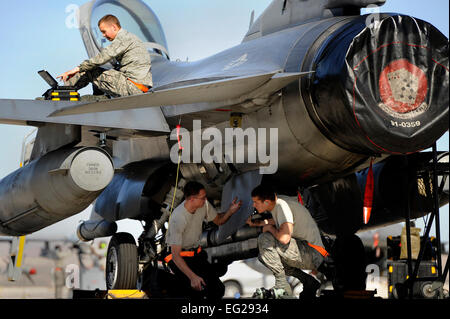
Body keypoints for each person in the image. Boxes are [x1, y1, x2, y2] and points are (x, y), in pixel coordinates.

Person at [246, 184, 327, 299]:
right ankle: (308, 281)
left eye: (256, 202)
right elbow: (279, 221)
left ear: (267, 202)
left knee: (264, 239)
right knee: (263, 256)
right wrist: (257, 223)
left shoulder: (281, 207)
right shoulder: (279, 202)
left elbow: (284, 238)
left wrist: (270, 229)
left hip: (313, 253)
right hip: (311, 252)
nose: (254, 205)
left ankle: (282, 287)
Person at [165, 181, 242, 300]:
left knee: (217, 289)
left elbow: (219, 220)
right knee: (198, 290)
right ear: (191, 199)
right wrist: (193, 277)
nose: (205, 199)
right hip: (180, 258)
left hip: (197, 255)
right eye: (202, 197)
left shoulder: (203, 205)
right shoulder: (178, 218)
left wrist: (230, 211)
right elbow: (175, 256)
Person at [57, 14, 152, 98]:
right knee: (99, 72)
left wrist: (76, 69)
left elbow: (103, 57)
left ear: (114, 27)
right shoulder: (130, 37)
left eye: (104, 31)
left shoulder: (123, 39)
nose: (103, 35)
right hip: (137, 86)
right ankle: (99, 99)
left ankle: (60, 93)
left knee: (91, 70)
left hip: (132, 87)